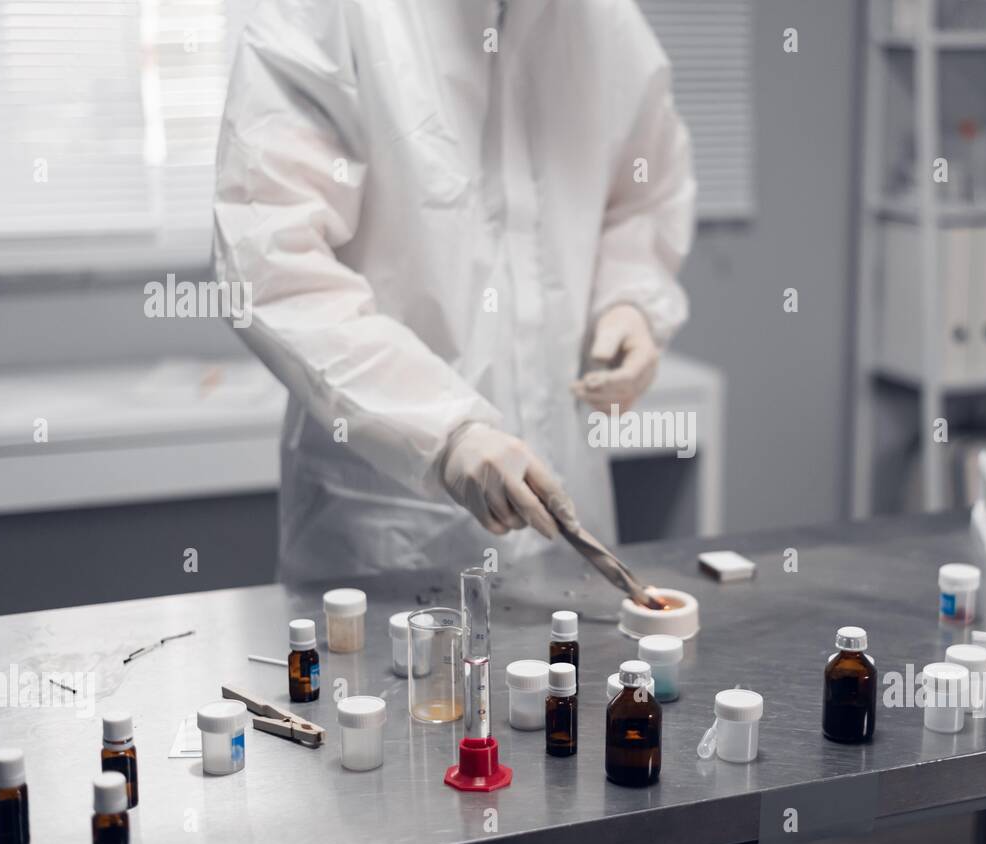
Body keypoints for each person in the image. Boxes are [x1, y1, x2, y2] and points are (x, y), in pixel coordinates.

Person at [213, 0, 695, 583]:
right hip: (390, 523)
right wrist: (443, 429)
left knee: (571, 670)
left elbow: (644, 191)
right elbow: (271, 257)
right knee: (388, 673)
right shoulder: (332, 15)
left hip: (563, 493)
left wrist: (629, 300)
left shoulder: (602, 22)